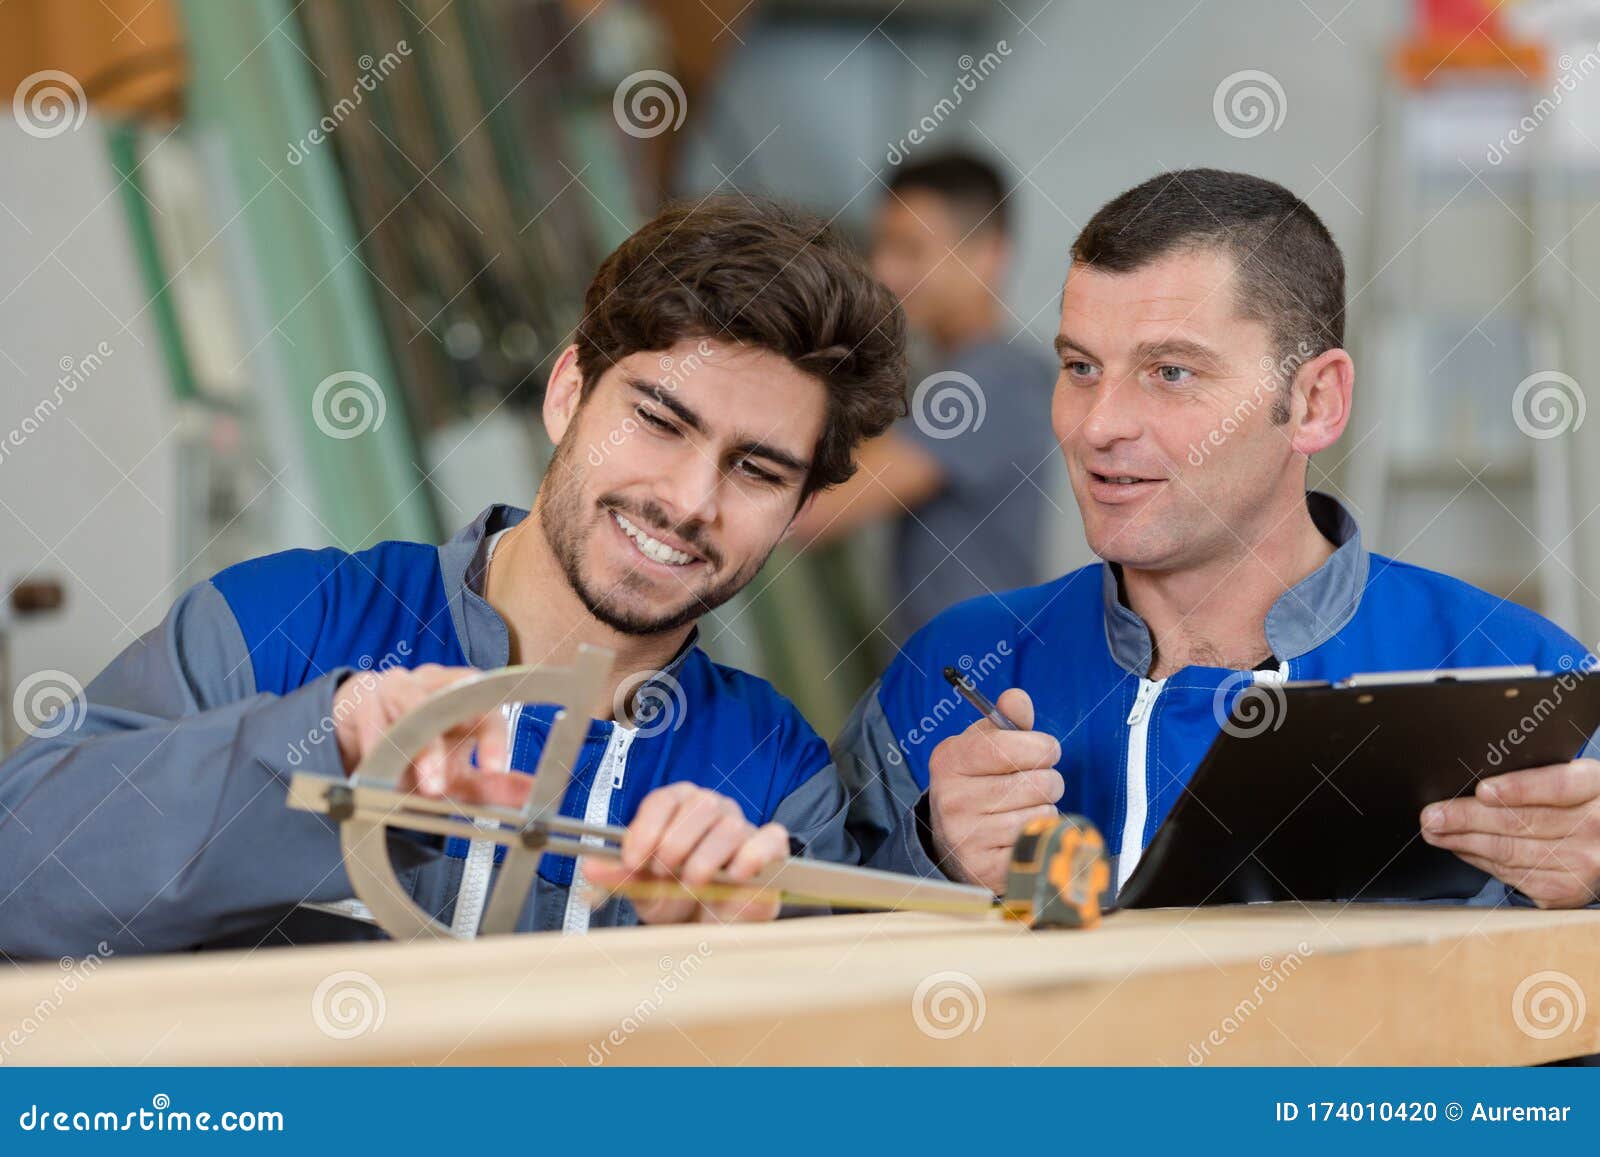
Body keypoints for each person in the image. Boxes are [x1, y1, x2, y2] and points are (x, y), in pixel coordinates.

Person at [0, 196, 907, 957]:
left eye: (757, 470)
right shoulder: (283, 622)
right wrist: (318, 744)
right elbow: (23, 876)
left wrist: (742, 973)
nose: (688, 499)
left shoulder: (776, 783)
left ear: (798, 509)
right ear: (566, 395)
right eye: (660, 421)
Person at [835, 169, 1600, 914]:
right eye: (1081, 368)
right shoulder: (955, 673)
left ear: (1314, 402)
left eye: (1169, 372)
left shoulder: (1527, 683)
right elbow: (807, 970)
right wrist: (929, 858)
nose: (1100, 425)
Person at [791, 153, 1057, 638]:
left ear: (989, 253)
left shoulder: (995, 380)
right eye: (883, 249)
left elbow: (816, 514)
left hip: (975, 687)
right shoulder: (952, 376)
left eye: (910, 250)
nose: (885, 272)